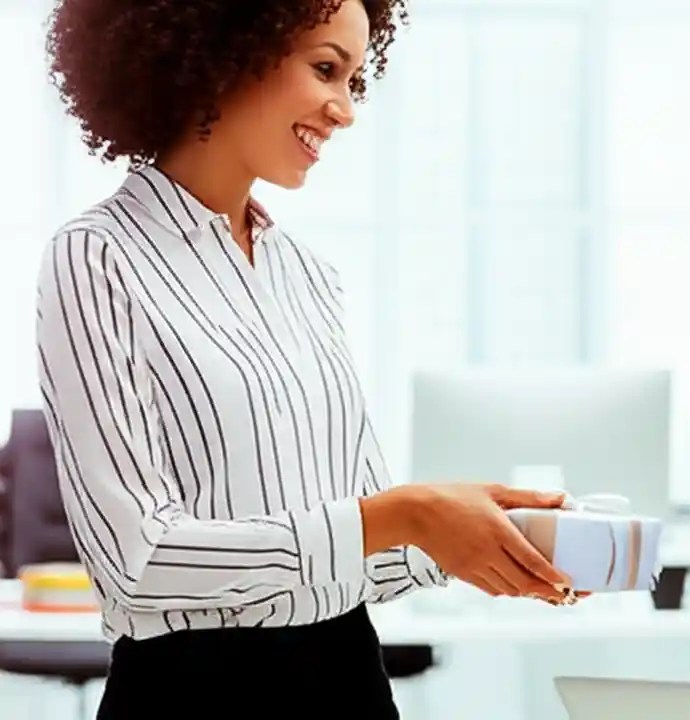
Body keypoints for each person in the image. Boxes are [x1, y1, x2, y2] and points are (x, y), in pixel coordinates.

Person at [37, 2, 575, 718]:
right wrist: (409, 512)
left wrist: (492, 538)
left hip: (348, 680)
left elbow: (360, 544)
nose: (345, 110)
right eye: (325, 69)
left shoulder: (306, 275)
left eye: (354, 79)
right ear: (226, 48)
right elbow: (140, 564)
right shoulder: (97, 258)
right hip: (192, 695)